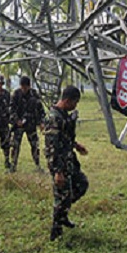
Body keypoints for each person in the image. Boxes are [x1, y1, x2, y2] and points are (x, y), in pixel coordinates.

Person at [44, 85, 88, 241]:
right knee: (61, 196)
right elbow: (51, 148)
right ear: (68, 100)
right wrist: (57, 171)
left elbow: (65, 137)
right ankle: (56, 231)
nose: (75, 106)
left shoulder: (63, 115)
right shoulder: (54, 118)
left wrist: (76, 145)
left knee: (81, 184)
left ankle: (63, 213)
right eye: (75, 103)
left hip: (69, 160)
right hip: (59, 164)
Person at [9, 75, 46, 172]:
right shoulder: (16, 94)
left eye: (25, 87)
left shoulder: (34, 95)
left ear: (29, 86)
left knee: (35, 145)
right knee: (15, 146)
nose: (24, 89)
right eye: (22, 86)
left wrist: (41, 122)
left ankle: (37, 166)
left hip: (31, 125)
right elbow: (11, 109)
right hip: (18, 126)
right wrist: (17, 120)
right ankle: (13, 166)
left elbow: (40, 109)